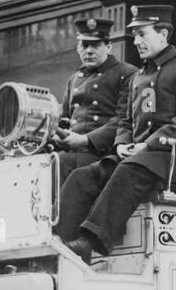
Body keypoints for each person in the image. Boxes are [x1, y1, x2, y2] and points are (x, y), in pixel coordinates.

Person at [58, 5, 176, 264]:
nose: (136, 41)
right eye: (135, 35)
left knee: (129, 170)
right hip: (137, 156)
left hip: (173, 156)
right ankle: (60, 242)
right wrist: (122, 144)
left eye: (142, 34)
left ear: (163, 34)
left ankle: (90, 241)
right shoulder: (138, 76)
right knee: (84, 176)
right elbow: (126, 120)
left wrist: (147, 144)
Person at [52, 16, 138, 178]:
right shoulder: (75, 78)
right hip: (70, 154)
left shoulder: (125, 74)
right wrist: (58, 135)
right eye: (84, 45)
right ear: (78, 48)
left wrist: (86, 140)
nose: (89, 51)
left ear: (109, 47)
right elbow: (64, 118)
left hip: (102, 156)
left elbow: (123, 120)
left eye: (96, 45)